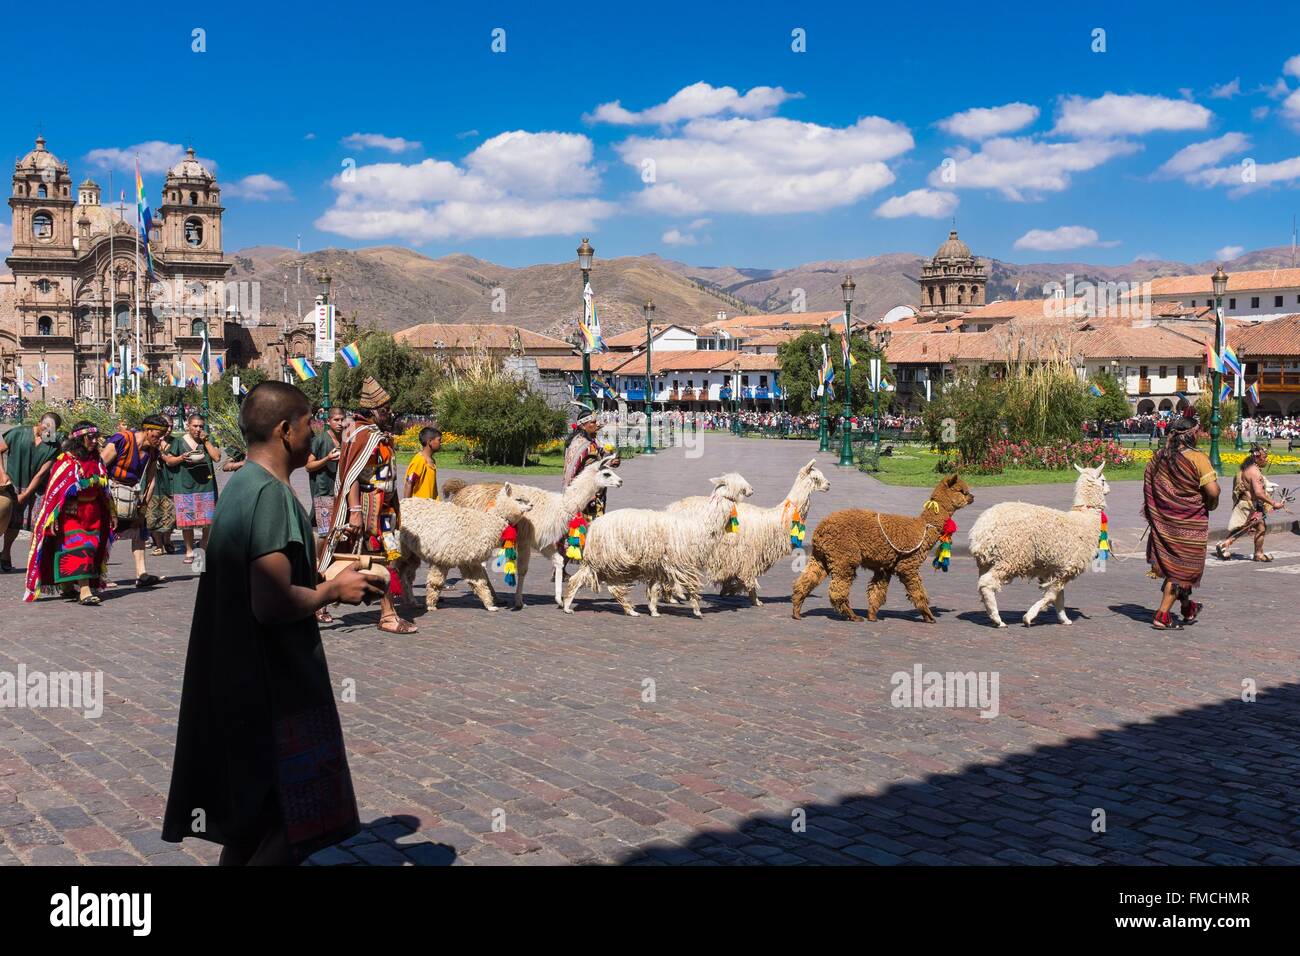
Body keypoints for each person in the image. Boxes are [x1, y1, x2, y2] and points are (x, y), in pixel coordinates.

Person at [162, 382, 382, 865]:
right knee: (287, 826)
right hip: (269, 688)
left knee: (250, 826)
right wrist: (333, 590)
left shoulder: (242, 485)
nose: (315, 432)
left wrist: (319, 571)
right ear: (286, 430)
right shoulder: (271, 496)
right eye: (309, 423)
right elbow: (271, 601)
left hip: (235, 677)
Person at [318, 376, 416, 635]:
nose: (389, 413)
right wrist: (355, 512)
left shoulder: (376, 435)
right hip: (367, 509)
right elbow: (352, 475)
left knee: (379, 558)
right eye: (384, 410)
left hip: (385, 510)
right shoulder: (362, 435)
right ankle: (387, 615)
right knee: (374, 558)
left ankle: (317, 601)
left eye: (389, 409)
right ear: (371, 411)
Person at [1142, 413, 1220, 630]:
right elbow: (1212, 491)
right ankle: (1162, 615)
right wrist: (1213, 500)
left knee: (1177, 569)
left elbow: (1150, 490)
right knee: (1182, 570)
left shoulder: (1158, 457)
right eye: (1198, 432)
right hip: (1189, 524)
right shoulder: (1197, 458)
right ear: (1192, 434)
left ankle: (1187, 607)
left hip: (1165, 523)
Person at [23, 421, 113, 605]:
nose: (95, 441)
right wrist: (52, 517)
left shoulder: (97, 460)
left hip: (93, 513)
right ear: (79, 439)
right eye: (91, 438)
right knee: (79, 547)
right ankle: (85, 591)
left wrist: (111, 513)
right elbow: (55, 491)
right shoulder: (66, 460)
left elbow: (105, 490)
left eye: (97, 437)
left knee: (91, 548)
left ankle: (67, 587)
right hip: (72, 515)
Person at [102, 415, 170, 588]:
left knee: (139, 531)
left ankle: (142, 574)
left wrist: (142, 509)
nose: (161, 439)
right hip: (110, 492)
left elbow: (151, 480)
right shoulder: (123, 439)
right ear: (147, 430)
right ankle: (99, 575)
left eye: (164, 434)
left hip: (132, 494)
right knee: (106, 534)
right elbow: (100, 466)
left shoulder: (153, 451)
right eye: (158, 434)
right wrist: (106, 501)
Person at [0, 412, 63, 573]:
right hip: (12, 485)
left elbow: (42, 473)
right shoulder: (18, 433)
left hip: (36, 490)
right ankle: (5, 555)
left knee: (38, 525)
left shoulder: (53, 445)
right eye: (46, 426)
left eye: (52, 429)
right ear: (39, 421)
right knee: (12, 523)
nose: (48, 431)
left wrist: (26, 494)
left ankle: (36, 559)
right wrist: (2, 473)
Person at [161, 414, 222, 564]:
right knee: (186, 522)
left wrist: (206, 441)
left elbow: (217, 457)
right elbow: (169, 461)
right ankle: (189, 550)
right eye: (195, 426)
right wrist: (182, 458)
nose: (198, 429)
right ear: (188, 425)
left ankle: (203, 543)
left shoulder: (208, 439)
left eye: (201, 426)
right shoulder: (178, 442)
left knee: (209, 520)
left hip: (205, 486)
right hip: (184, 485)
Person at [1216, 443, 1287, 562]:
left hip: (1248, 504)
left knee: (1259, 527)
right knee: (1248, 527)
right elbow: (1259, 493)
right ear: (1257, 458)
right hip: (1250, 505)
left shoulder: (1247, 469)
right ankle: (1225, 544)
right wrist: (1274, 503)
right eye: (1264, 457)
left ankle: (1257, 553)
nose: (1266, 460)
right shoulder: (1255, 472)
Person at [563, 404, 618, 519]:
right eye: (593, 422)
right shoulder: (578, 444)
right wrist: (571, 494)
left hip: (596, 491)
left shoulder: (592, 440)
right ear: (583, 426)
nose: (596, 424)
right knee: (581, 528)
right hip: (583, 494)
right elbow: (570, 471)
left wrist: (610, 462)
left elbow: (597, 462)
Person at [145, 414, 178, 557]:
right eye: (166, 426)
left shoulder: (176, 442)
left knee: (171, 515)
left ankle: (167, 539)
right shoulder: (150, 442)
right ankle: (159, 545)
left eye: (170, 426)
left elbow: (174, 459)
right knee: (153, 516)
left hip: (170, 481)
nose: (168, 429)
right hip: (153, 482)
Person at [404, 426, 441, 499]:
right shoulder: (419, 460)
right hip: (419, 507)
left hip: (430, 506)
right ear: (430, 442)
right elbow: (409, 483)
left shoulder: (432, 461)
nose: (441, 443)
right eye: (439, 440)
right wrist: (406, 505)